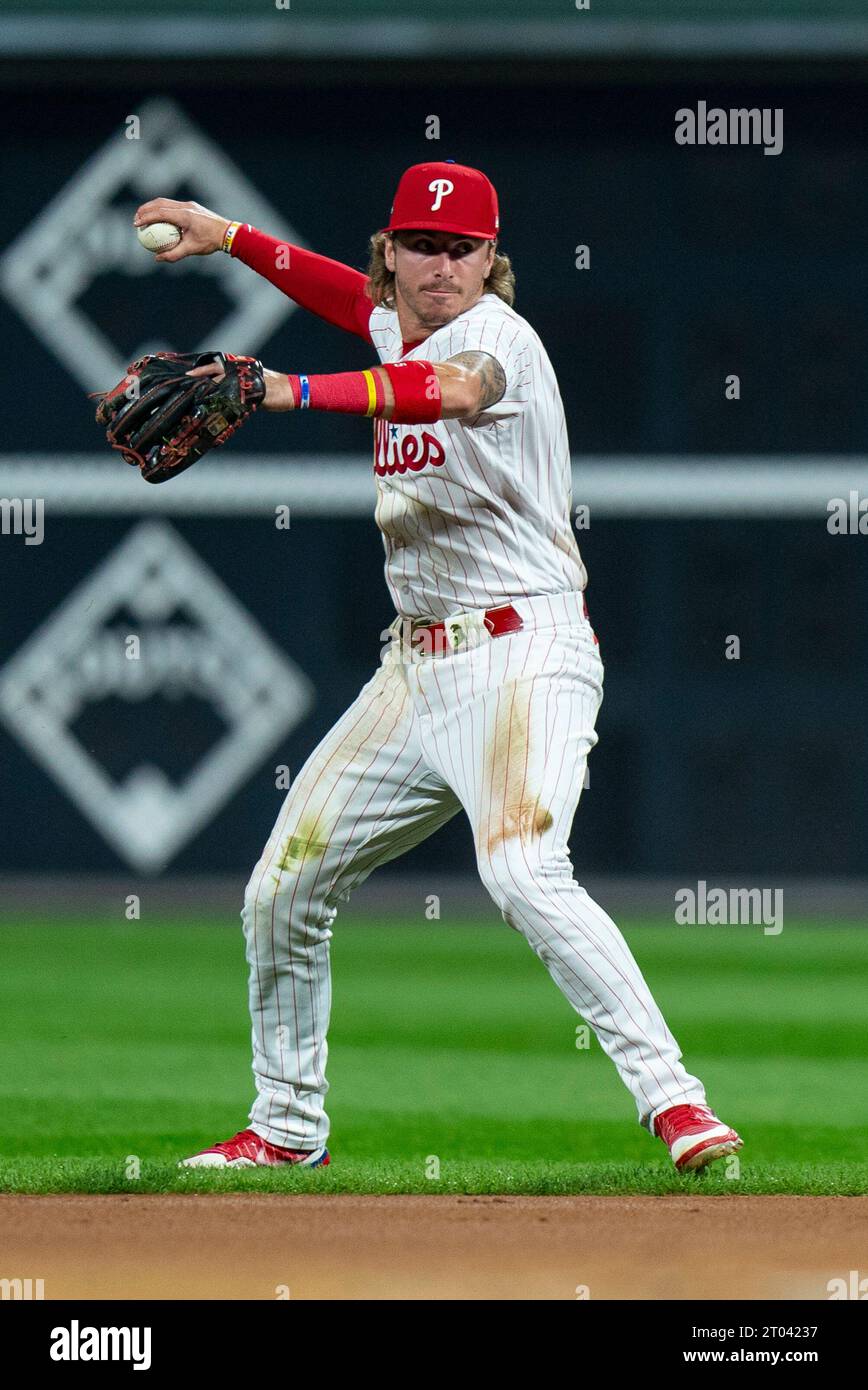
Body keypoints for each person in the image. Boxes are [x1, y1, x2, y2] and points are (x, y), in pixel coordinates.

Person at [135, 161, 743, 1175]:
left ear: (489, 260)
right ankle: (286, 1130)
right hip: (414, 669)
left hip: (524, 652)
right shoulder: (391, 315)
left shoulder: (498, 340)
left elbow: (441, 391)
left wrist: (281, 390)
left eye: (462, 249)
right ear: (394, 251)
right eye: (421, 245)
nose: (441, 267)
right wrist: (227, 233)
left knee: (519, 868)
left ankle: (677, 1105)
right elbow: (350, 301)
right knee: (283, 888)